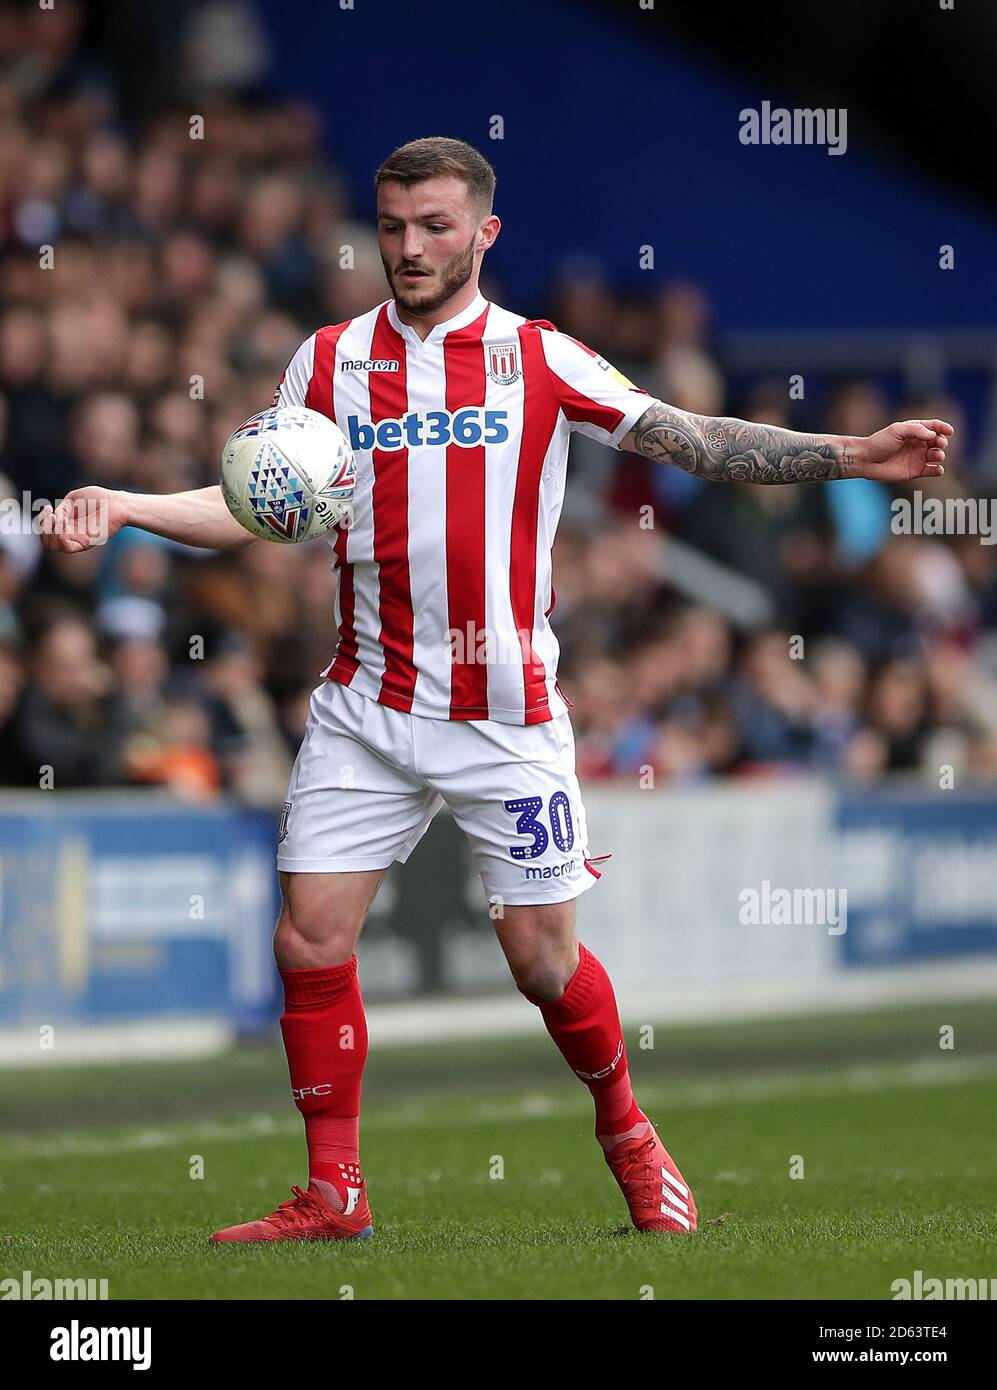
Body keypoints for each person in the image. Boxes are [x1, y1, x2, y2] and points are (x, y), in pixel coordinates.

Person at [39, 137, 953, 1243]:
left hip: (504, 711)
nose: (410, 248)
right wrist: (127, 501)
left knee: (543, 962)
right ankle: (335, 1192)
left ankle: (626, 1127)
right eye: (391, 227)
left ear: (484, 232)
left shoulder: (538, 358)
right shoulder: (325, 362)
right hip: (366, 702)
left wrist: (853, 453)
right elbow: (258, 503)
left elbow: (695, 440)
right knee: (308, 940)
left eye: (433, 226)